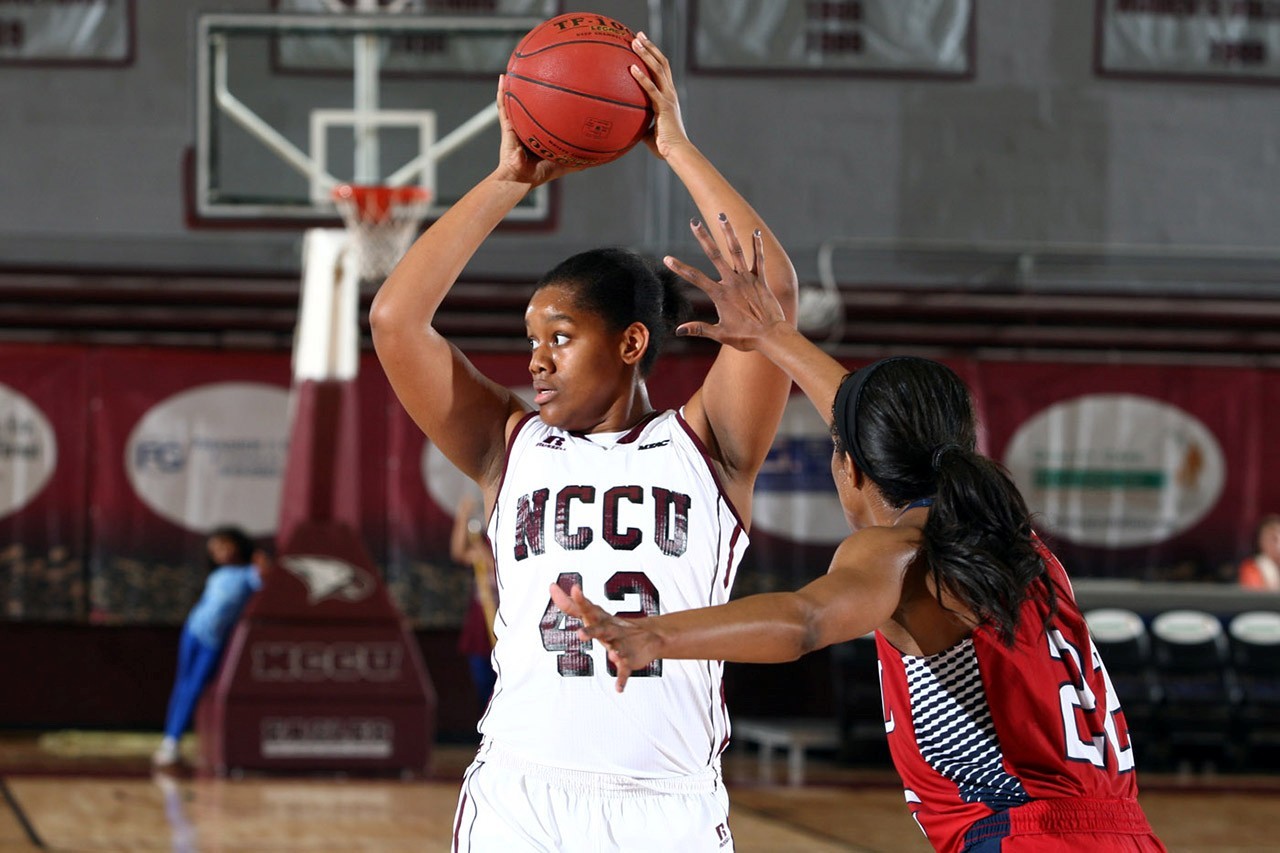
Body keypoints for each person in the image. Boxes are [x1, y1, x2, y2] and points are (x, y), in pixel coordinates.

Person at [551, 219, 1167, 852]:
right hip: (1128, 835)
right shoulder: (1019, 546)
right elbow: (871, 421)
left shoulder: (899, 552)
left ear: (848, 468)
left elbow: (805, 620)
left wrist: (653, 633)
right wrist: (776, 338)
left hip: (1023, 838)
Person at [369, 29, 797, 851]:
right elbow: (395, 320)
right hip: (521, 793)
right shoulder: (509, 444)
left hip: (664, 798)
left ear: (632, 343)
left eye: (560, 336)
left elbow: (770, 290)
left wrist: (673, 144)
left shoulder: (709, 446)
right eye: (531, 339)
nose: (536, 359)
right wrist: (507, 180)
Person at [153, 525, 269, 771]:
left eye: (224, 545)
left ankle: (175, 740)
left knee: (195, 686)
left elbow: (265, 582)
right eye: (214, 549)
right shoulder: (216, 575)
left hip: (213, 641)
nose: (220, 552)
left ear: (237, 545)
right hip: (193, 631)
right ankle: (170, 739)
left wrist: (261, 561)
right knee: (182, 684)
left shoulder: (248, 574)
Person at [450, 492, 498, 710]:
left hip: (503, 626)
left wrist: (484, 555)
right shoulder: (482, 544)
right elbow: (459, 552)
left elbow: (495, 568)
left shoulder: (509, 547)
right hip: (481, 627)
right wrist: (463, 516)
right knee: (483, 684)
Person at [1238, 514, 1280, 591]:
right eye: (1273, 538)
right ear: (1261, 541)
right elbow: (1255, 596)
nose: (1277, 543)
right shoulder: (1251, 567)